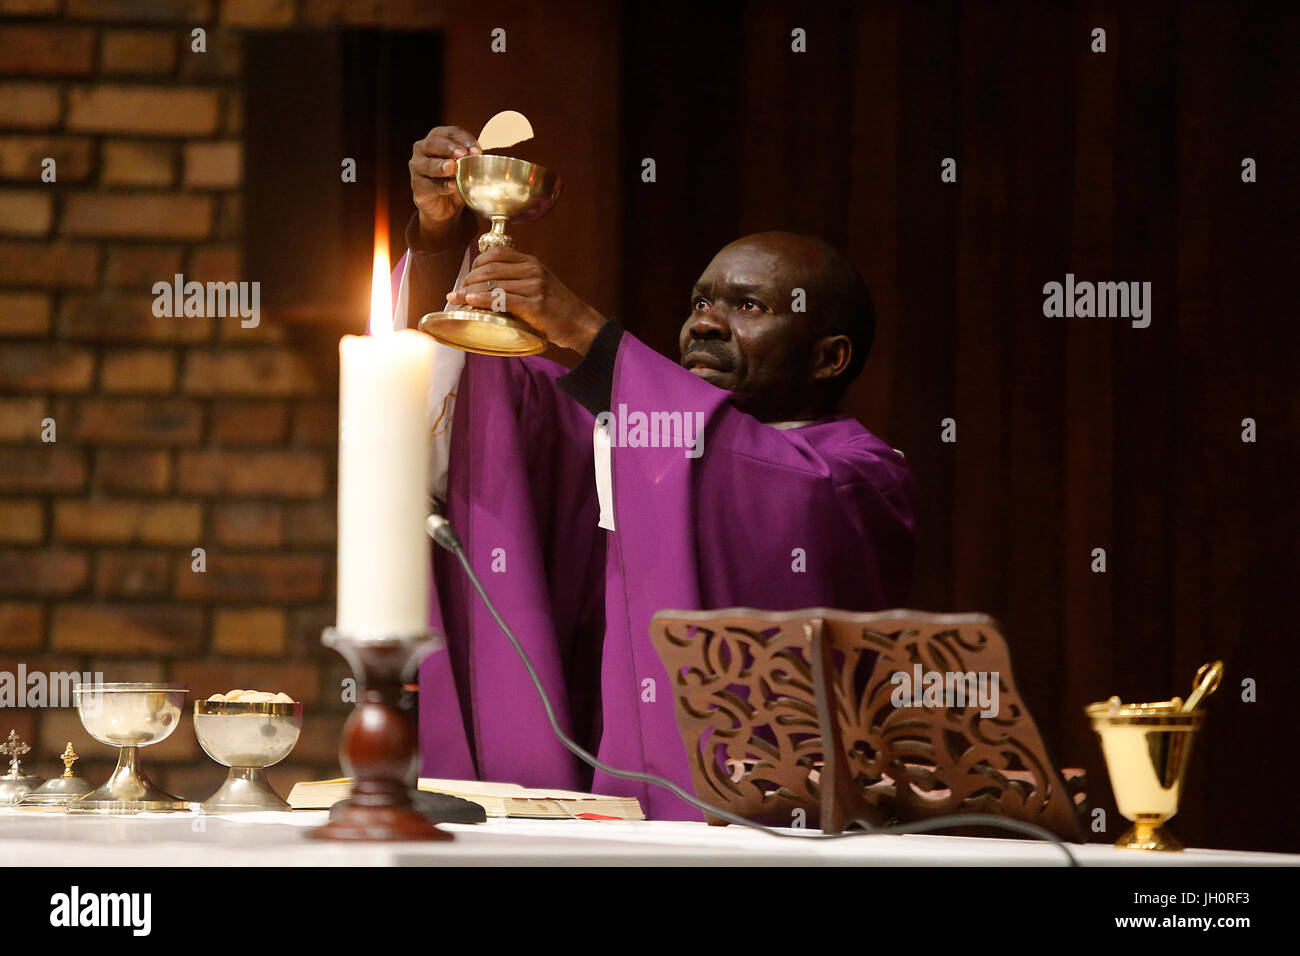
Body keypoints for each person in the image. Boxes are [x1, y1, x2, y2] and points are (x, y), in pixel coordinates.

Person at [392, 124, 916, 819]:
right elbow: (472, 408)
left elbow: (773, 485)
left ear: (829, 357)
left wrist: (584, 331)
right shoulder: (615, 434)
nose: (705, 323)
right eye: (701, 302)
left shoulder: (860, 477)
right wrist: (440, 242)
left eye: (749, 307)